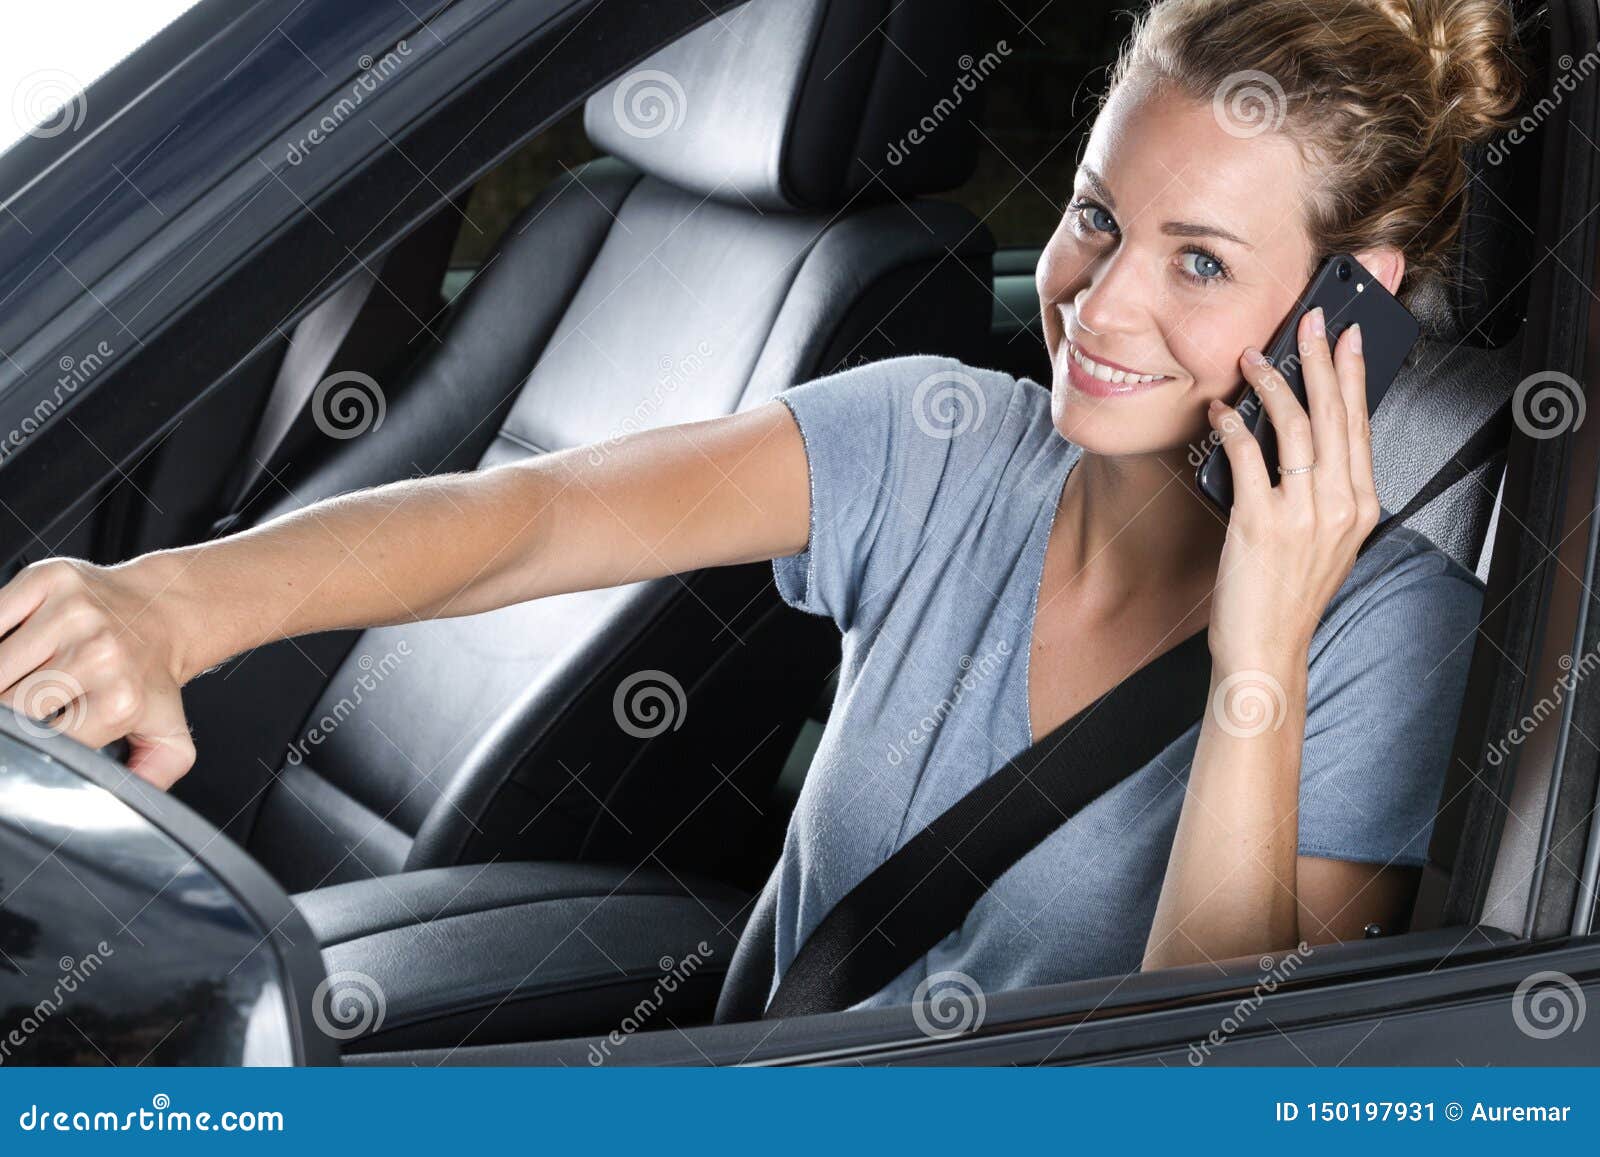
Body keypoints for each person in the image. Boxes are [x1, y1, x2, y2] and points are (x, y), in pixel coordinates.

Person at [0, 0, 1525, 1009]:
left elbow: (1208, 1065)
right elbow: (529, 520)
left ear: (1349, 308)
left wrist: (1260, 638)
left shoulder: (1397, 640)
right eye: (1094, 218)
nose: (1100, 304)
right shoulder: (943, 442)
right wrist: (175, 600)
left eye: (1198, 262)